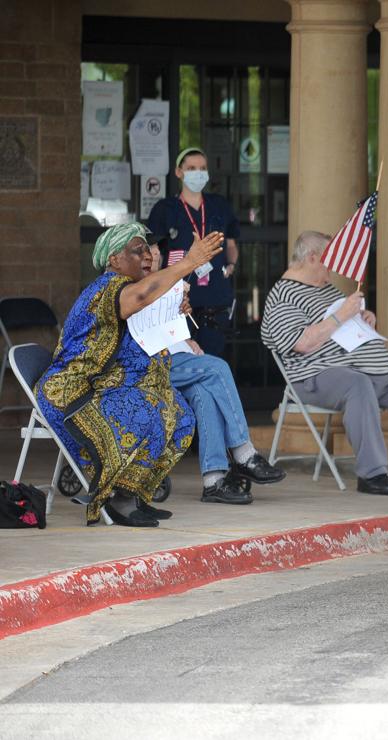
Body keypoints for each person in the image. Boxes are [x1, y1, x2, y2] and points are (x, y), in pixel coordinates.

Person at [35, 223, 221, 526]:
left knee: (181, 416)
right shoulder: (105, 288)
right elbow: (139, 298)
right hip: (72, 388)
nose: (147, 256)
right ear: (114, 260)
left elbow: (148, 321)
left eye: (148, 250)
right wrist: (189, 263)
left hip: (106, 382)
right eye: (138, 251)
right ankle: (114, 497)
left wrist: (174, 308)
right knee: (144, 410)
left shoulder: (130, 290)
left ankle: (134, 492)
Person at [260, 231, 388, 495]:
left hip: (374, 371)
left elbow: (342, 322)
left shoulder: (325, 288)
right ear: (312, 258)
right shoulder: (282, 296)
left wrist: (361, 318)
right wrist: (341, 316)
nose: (334, 269)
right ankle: (373, 473)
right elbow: (302, 343)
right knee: (357, 385)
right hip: (316, 376)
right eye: (330, 261)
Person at [145, 241, 286, 505]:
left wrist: (184, 334)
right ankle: (243, 452)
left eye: (156, 251)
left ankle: (214, 479)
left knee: (203, 394)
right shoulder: (137, 288)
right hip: (152, 364)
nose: (153, 255)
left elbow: (167, 328)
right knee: (218, 369)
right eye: (147, 250)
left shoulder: (165, 282)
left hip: (178, 357)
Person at [148, 147, 240, 356]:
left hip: (215, 302)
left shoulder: (219, 206)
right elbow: (155, 254)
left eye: (202, 168)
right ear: (178, 172)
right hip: (177, 306)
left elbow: (232, 245)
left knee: (213, 363)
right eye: (191, 168)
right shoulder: (165, 209)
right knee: (181, 363)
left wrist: (231, 266)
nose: (197, 173)